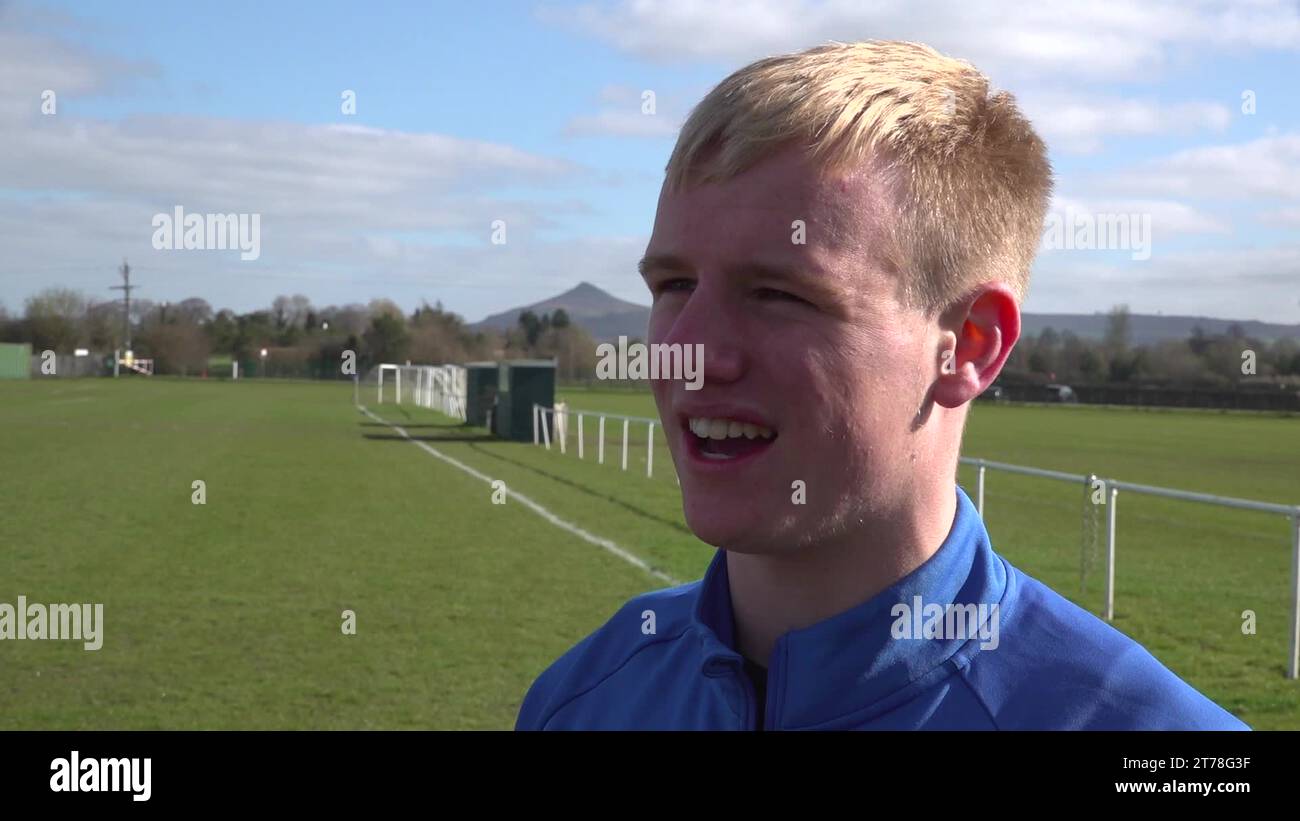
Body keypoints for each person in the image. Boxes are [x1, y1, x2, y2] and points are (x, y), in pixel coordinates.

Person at [516, 40, 1247, 730]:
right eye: (674, 284)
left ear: (968, 345)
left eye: (777, 293)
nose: (688, 352)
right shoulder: (583, 698)